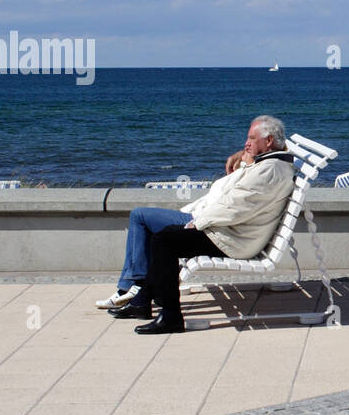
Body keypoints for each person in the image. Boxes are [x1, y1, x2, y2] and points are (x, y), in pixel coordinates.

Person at [105, 115, 297, 335]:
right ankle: (142, 301)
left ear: (269, 141)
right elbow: (243, 199)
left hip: (231, 238)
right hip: (231, 231)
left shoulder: (269, 169)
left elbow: (236, 206)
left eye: (252, 138)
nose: (247, 143)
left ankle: (170, 317)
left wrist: (198, 222)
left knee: (164, 240)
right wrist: (244, 156)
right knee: (164, 236)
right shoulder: (271, 162)